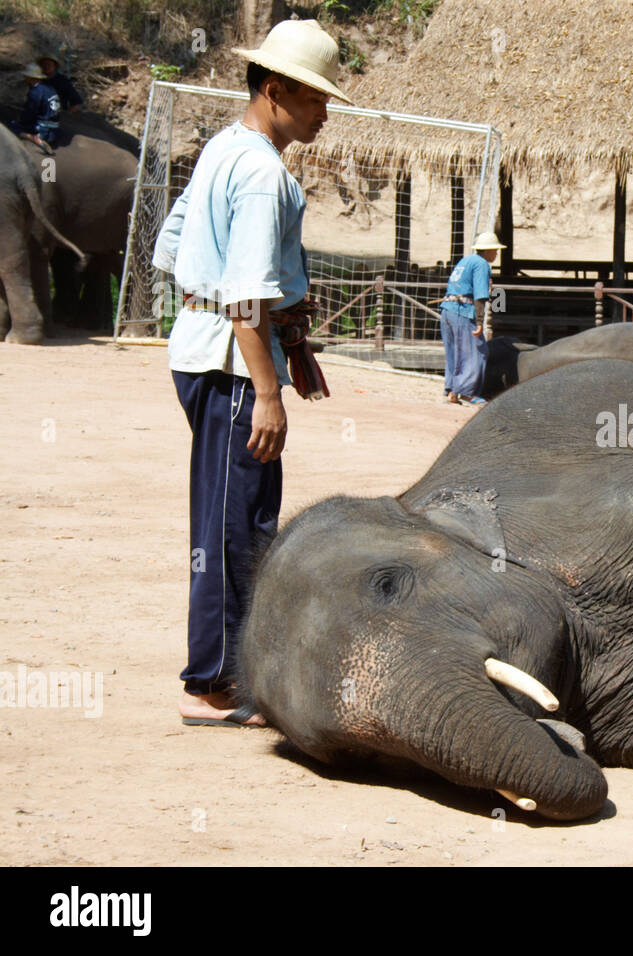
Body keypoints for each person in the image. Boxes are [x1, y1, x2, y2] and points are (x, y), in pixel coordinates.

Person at [151, 18, 351, 728]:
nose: (325, 113)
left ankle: (220, 673)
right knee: (239, 527)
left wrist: (214, 299)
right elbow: (244, 299)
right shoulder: (264, 173)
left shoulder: (222, 150)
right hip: (236, 366)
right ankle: (214, 682)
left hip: (203, 350)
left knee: (228, 517)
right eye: (316, 100)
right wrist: (267, 390)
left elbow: (170, 246)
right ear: (275, 91)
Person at [442, 232, 506, 404]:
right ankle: (467, 391)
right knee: (477, 351)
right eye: (495, 251)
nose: (496, 254)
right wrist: (479, 321)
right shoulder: (482, 264)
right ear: (488, 251)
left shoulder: (466, 261)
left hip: (447, 309)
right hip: (463, 310)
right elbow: (480, 295)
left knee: (454, 351)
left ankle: (452, 388)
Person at [11, 62, 61, 150]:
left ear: (29, 78)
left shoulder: (35, 92)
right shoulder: (49, 88)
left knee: (12, 127)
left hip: (43, 129)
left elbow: (30, 112)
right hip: (55, 128)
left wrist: (21, 121)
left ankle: (33, 138)